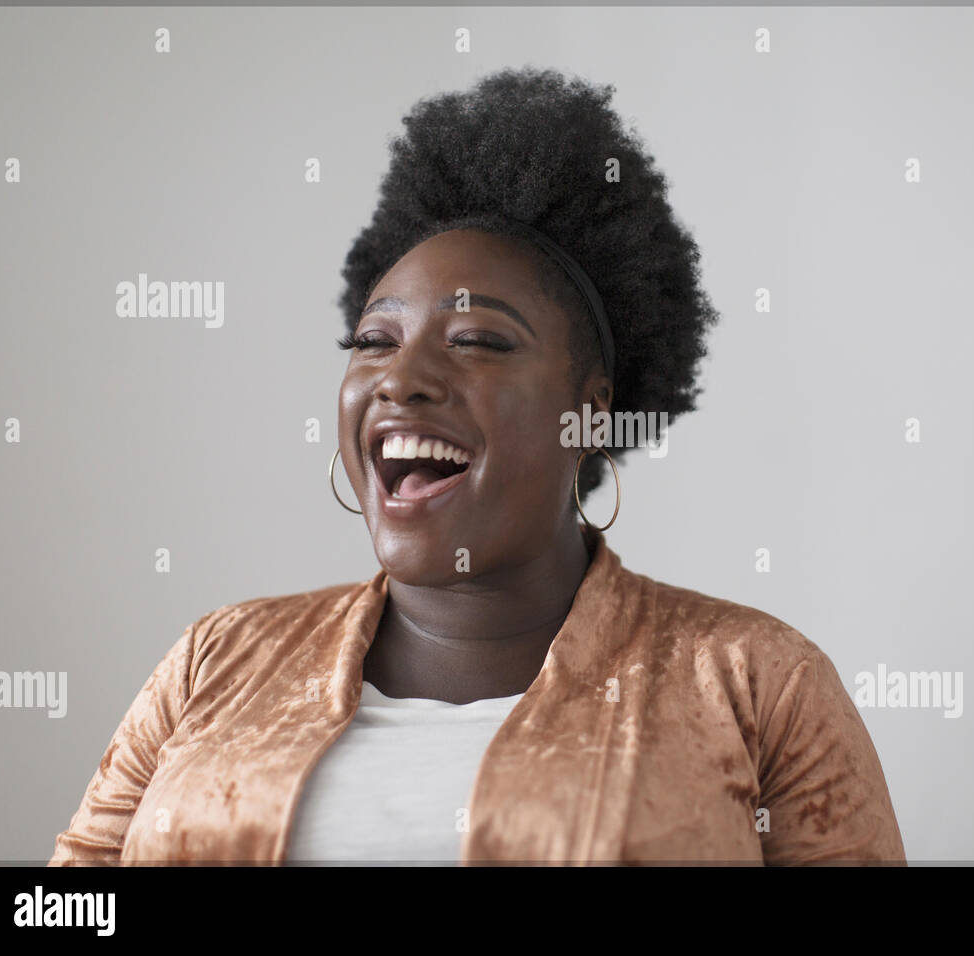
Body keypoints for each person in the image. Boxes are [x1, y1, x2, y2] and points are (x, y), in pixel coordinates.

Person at [49, 66, 905, 865]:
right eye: (374, 342)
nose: (400, 380)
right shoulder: (216, 660)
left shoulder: (755, 681)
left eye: (477, 341)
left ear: (592, 408)